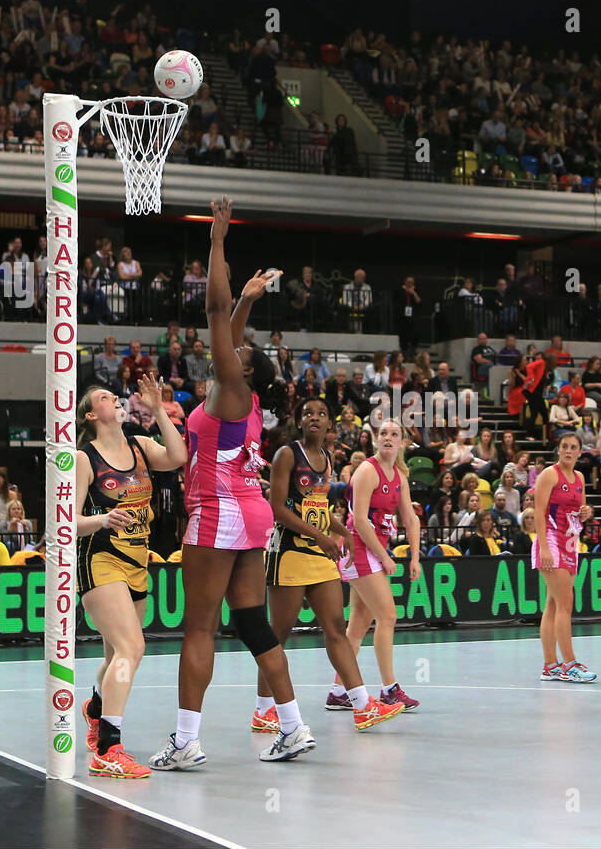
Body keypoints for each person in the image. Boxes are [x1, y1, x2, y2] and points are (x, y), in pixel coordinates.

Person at [152, 196, 316, 770]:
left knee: (198, 626)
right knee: (251, 622)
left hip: (219, 509)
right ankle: (292, 725)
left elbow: (216, 317)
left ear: (244, 370)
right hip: (253, 515)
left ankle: (185, 738)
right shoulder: (241, 399)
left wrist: (217, 242)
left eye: (242, 354)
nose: (236, 349)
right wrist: (247, 299)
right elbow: (229, 326)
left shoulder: (231, 388)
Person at [257, 397, 404, 733]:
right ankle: (263, 710)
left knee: (337, 630)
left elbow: (318, 508)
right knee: (277, 634)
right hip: (290, 552)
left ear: (330, 426)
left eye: (321, 414)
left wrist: (341, 531)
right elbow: (278, 508)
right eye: (308, 413)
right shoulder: (286, 455)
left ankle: (362, 705)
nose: (314, 418)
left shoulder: (325, 459)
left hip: (319, 553)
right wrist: (323, 537)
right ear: (298, 421)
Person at [75, 374, 187, 779]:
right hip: (101, 558)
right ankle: (108, 747)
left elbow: (178, 457)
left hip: (138, 559)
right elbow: (66, 521)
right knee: (132, 648)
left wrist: (158, 409)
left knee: (115, 656)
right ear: (92, 413)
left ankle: (94, 706)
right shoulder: (85, 458)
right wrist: (103, 518)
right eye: (106, 397)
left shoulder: (139, 446)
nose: (116, 399)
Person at [331, 418, 423, 710]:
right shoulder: (367, 471)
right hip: (357, 549)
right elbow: (358, 520)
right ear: (376, 438)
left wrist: (416, 555)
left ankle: (338, 692)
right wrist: (384, 557)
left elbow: (410, 519)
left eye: (394, 434)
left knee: (358, 626)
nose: (388, 437)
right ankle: (389, 689)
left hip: (372, 550)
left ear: (402, 442)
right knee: (388, 616)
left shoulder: (399, 476)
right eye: (383, 433)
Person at [533, 433, 597, 682]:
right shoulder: (549, 475)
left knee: (552, 606)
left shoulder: (579, 478)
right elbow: (538, 511)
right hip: (551, 539)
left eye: (573, 447)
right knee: (565, 604)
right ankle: (570, 664)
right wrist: (544, 549)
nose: (568, 451)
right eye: (564, 447)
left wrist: (586, 512)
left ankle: (550, 665)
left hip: (570, 541)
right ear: (558, 451)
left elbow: (579, 512)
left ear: (580, 452)